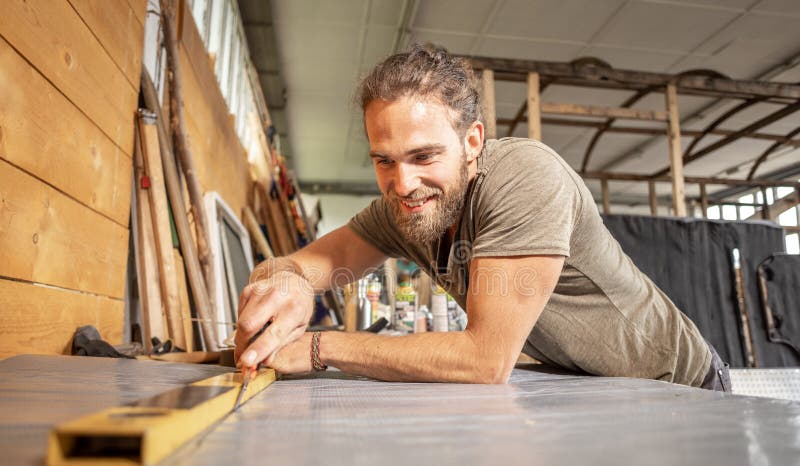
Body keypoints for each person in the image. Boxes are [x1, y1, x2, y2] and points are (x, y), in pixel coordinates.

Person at [234, 44, 730, 391]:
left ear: (472, 142)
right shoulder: (404, 211)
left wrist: (321, 347)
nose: (403, 184)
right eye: (384, 160)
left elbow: (485, 358)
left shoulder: (524, 177)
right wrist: (286, 285)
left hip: (678, 383)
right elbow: (300, 263)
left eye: (424, 156)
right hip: (598, 385)